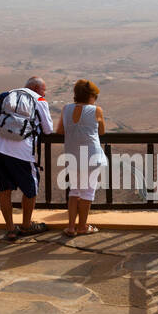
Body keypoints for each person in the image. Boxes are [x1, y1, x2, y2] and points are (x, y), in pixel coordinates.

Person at [0, 76, 54, 241]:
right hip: (21, 151)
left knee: (4, 190)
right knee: (30, 189)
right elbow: (48, 130)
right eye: (44, 90)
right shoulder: (39, 99)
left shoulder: (8, 94)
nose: (45, 93)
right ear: (36, 88)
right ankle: (27, 225)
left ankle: (11, 229)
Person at [53, 78, 107, 237]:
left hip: (73, 156)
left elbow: (60, 131)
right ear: (91, 95)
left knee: (74, 191)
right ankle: (82, 227)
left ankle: (71, 227)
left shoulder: (66, 109)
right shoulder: (96, 110)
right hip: (91, 156)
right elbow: (102, 132)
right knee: (88, 192)